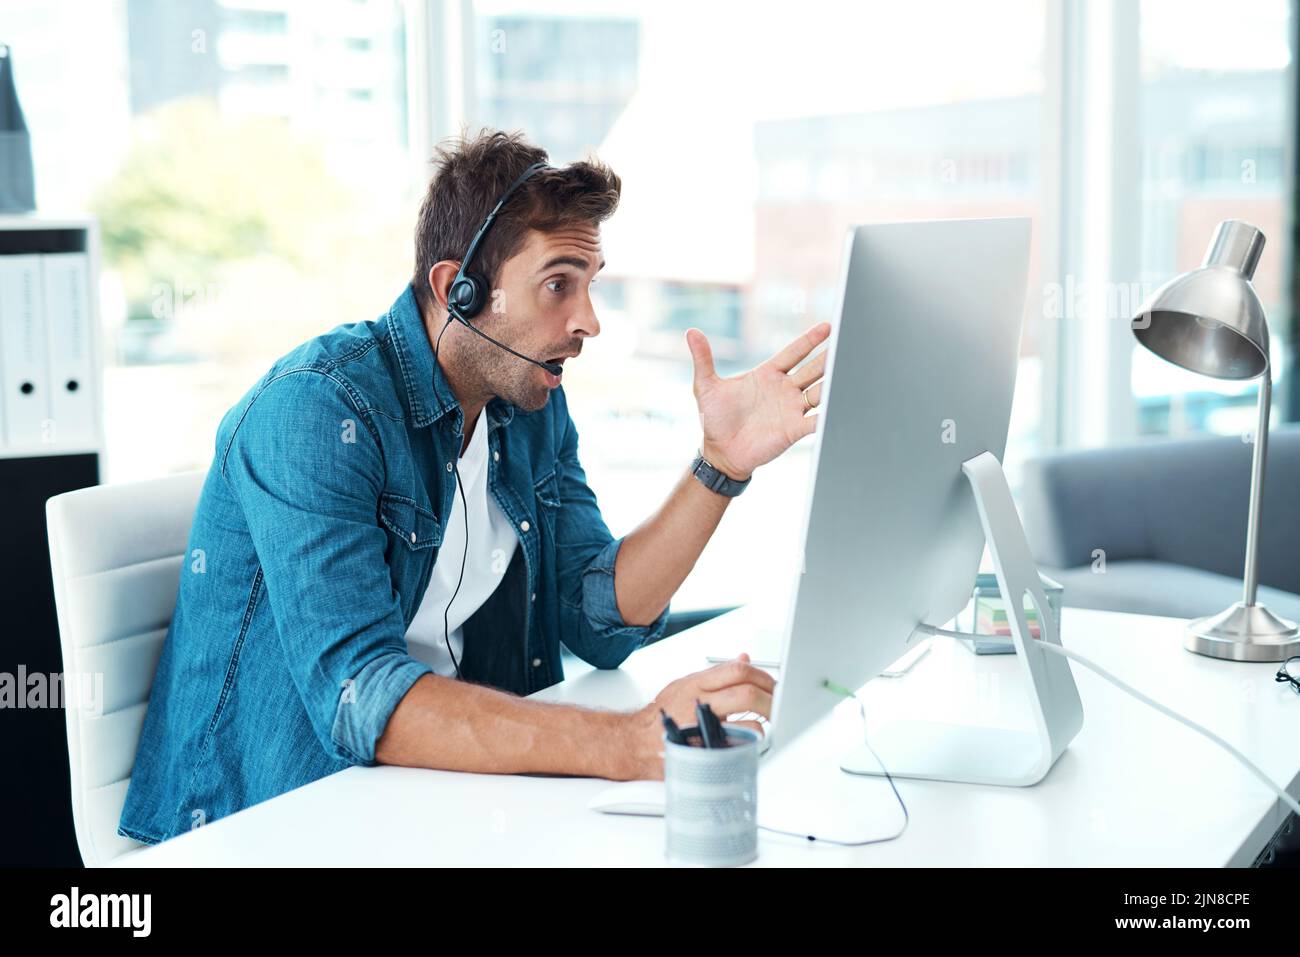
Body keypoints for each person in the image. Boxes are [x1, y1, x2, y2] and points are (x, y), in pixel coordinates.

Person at [118, 128, 828, 845]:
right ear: (456, 290)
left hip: (428, 797)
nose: (589, 321)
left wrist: (720, 465)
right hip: (267, 821)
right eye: (558, 284)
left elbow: (598, 618)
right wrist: (623, 743)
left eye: (590, 283)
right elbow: (361, 698)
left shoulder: (525, 405)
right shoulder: (317, 411)